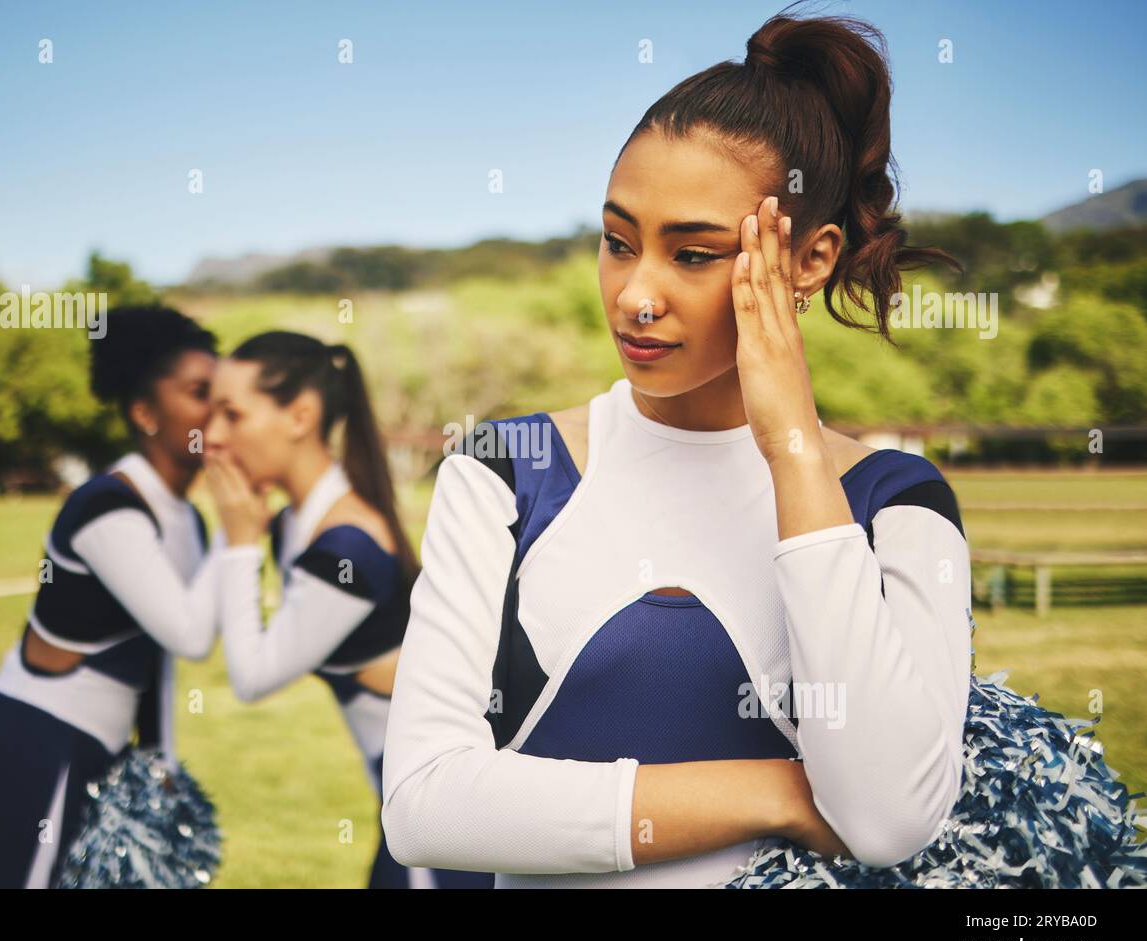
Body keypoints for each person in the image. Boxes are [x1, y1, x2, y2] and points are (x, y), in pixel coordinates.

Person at [379, 10, 1147, 888]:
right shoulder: (504, 467)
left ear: (812, 259)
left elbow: (889, 816)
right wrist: (777, 791)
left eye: (694, 254)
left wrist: (792, 452)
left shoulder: (896, 499)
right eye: (618, 242)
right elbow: (423, 802)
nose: (635, 295)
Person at [0, 305, 223, 888]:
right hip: (32, 747)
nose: (218, 412)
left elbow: (160, 658)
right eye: (200, 393)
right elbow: (190, 633)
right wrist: (244, 532)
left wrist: (161, 764)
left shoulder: (189, 522)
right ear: (145, 411)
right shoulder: (106, 507)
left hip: (95, 755)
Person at [202, 331, 492, 888]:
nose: (212, 437)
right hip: (405, 799)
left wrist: (238, 541)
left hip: (442, 811)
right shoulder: (298, 526)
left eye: (231, 414)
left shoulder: (348, 550)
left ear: (300, 416)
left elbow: (252, 675)